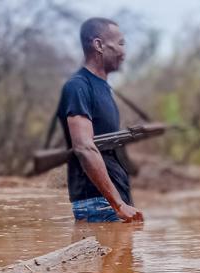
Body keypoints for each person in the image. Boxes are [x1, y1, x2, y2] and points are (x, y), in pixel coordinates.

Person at [56, 18, 143, 223]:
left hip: (110, 203)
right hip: (99, 204)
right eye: (120, 43)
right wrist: (118, 204)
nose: (124, 52)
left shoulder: (103, 87)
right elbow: (84, 147)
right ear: (99, 45)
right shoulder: (79, 86)